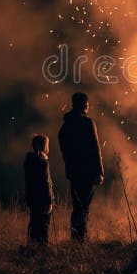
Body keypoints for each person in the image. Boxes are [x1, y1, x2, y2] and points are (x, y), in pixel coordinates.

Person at [58, 92, 104, 242]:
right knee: (84, 207)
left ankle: (75, 238)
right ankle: (80, 240)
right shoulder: (87, 123)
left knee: (77, 206)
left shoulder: (66, 124)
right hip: (88, 172)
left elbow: (63, 145)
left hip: (74, 172)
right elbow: (95, 148)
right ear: (85, 105)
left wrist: (69, 163)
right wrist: (99, 171)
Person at [24, 134, 55, 244]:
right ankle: (42, 248)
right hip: (43, 201)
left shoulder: (29, 161)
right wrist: (49, 200)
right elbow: (46, 183)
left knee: (34, 223)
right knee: (43, 225)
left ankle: (32, 246)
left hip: (32, 198)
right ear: (45, 146)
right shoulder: (43, 162)